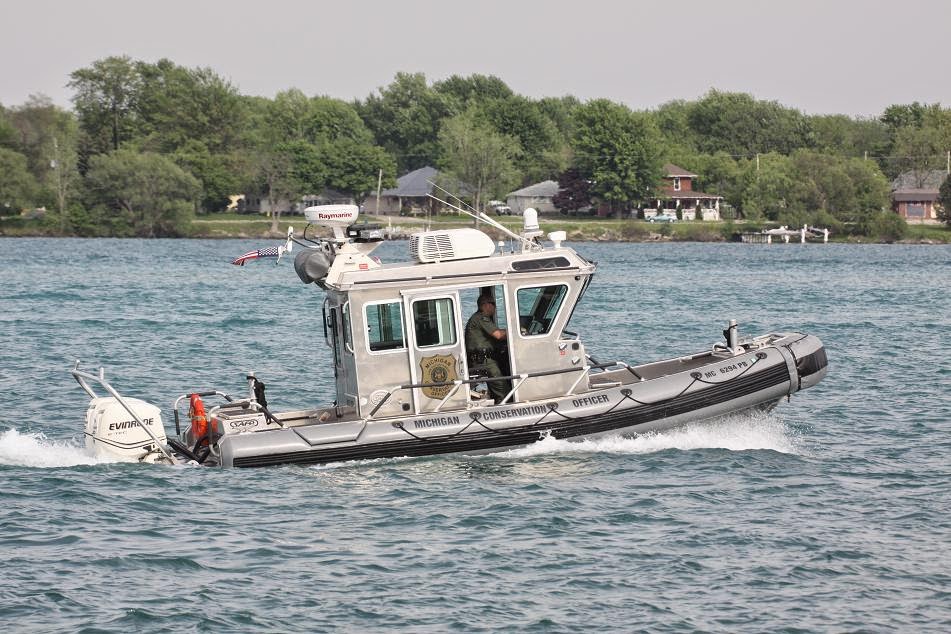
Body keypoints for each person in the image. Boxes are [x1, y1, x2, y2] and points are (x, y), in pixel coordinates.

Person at [465, 295, 512, 404]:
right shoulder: (481, 318)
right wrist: (516, 330)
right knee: (504, 391)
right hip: (484, 362)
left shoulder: (478, 319)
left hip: (482, 360)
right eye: (493, 304)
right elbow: (499, 335)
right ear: (485, 305)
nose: (495, 307)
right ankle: (504, 410)